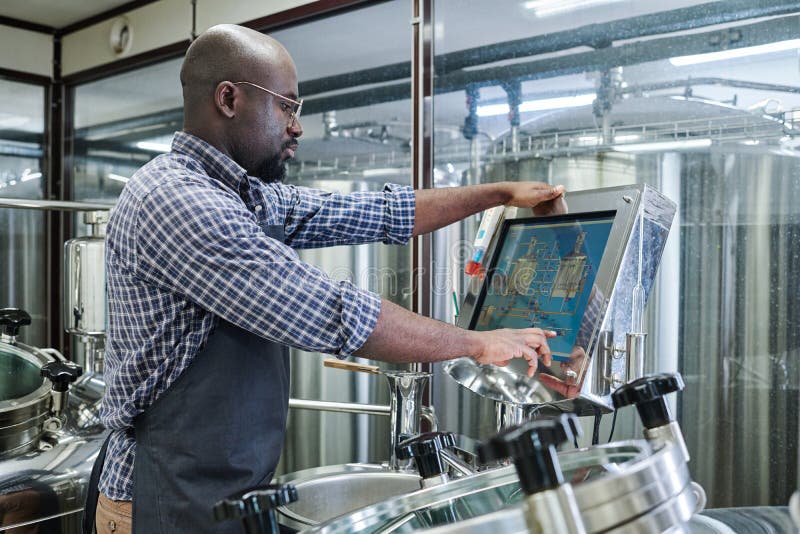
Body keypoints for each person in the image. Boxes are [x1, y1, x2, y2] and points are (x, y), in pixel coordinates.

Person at [90, 24, 567, 534]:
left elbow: (377, 212)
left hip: (219, 491)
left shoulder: (243, 195)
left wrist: (498, 194)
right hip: (162, 499)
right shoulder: (180, 202)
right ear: (228, 99)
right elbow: (332, 312)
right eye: (287, 106)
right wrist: (477, 343)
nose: (297, 126)